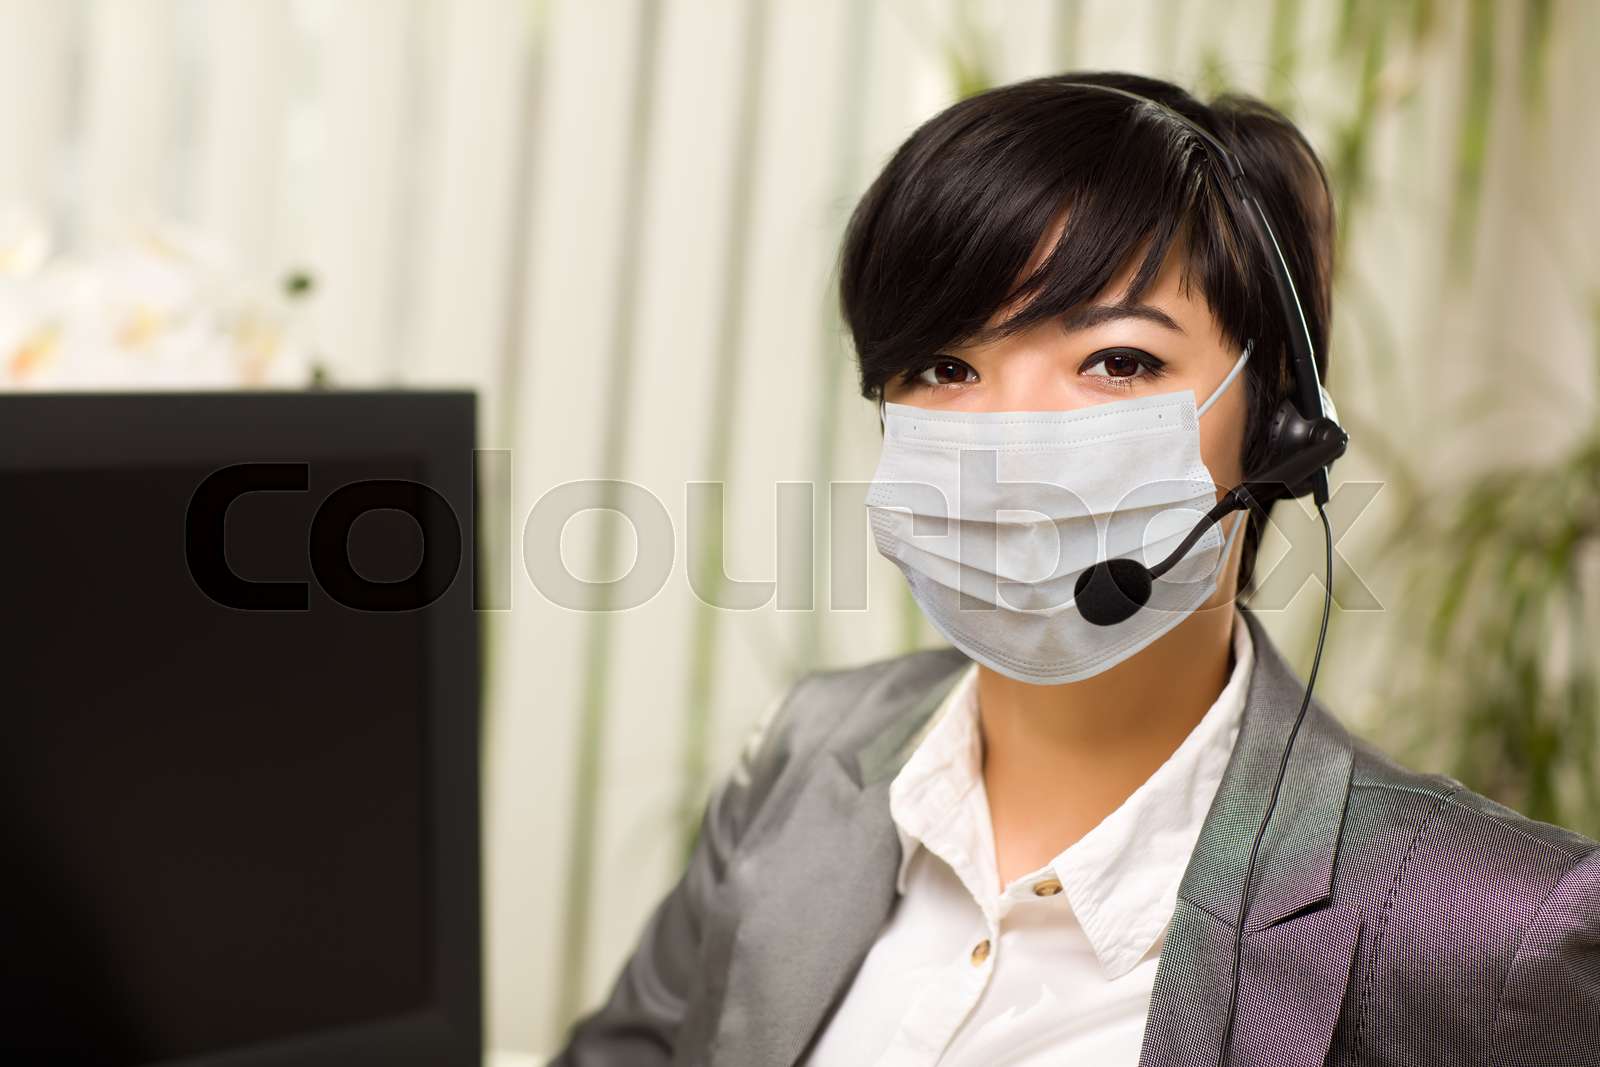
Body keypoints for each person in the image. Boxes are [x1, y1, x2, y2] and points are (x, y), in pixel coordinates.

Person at [552, 71, 1599, 1067]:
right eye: (943, 367)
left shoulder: (1491, 924)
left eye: (1118, 361)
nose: (1009, 440)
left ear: (1278, 427)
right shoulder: (801, 753)